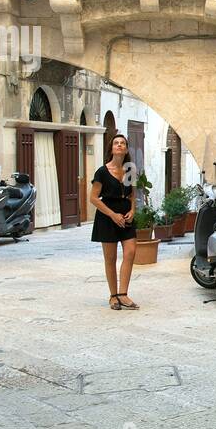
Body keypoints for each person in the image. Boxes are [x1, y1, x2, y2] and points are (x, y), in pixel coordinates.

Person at [89, 133, 139, 310]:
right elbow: (94, 198)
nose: (119, 145)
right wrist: (112, 215)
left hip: (126, 215)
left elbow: (132, 194)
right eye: (116, 143)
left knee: (130, 252)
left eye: (122, 143)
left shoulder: (130, 169)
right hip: (107, 216)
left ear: (126, 149)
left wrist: (133, 210)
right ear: (111, 148)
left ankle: (123, 294)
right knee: (110, 259)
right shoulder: (102, 172)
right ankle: (113, 296)